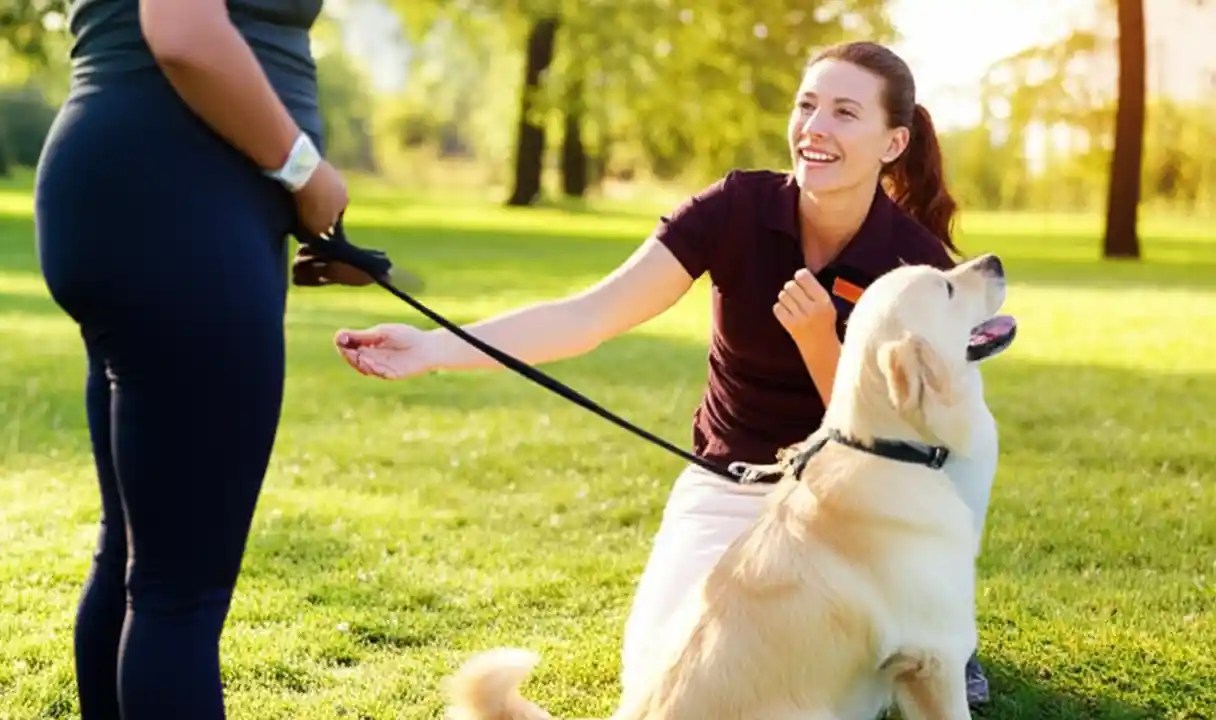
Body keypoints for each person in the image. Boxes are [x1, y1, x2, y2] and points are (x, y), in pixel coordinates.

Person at [334, 40, 997, 707]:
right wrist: (430, 346)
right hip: (729, 485)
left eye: (845, 112)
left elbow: (893, 446)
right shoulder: (735, 207)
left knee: (971, 455)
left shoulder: (913, 266)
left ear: (892, 143)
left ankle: (939, 626)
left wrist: (819, 341)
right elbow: (588, 316)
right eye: (807, 104)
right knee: (659, 687)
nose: (815, 127)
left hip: (847, 499)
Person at [34, 1, 350, 717]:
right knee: (179, 593)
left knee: (138, 561)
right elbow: (182, 32)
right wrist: (305, 172)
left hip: (150, 196)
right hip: (180, 201)